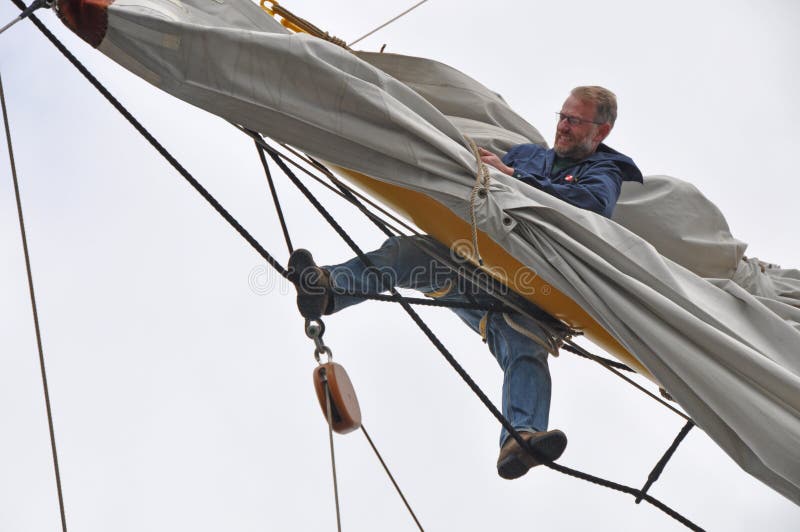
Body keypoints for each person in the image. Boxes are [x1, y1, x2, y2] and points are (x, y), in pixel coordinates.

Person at [290, 86, 643, 479]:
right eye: (562, 116)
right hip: (474, 262)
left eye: (575, 122)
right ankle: (328, 289)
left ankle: (520, 438)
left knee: (523, 345)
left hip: (530, 291)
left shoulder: (604, 172)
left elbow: (589, 208)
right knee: (409, 255)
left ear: (602, 131)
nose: (563, 127)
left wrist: (513, 177)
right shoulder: (529, 155)